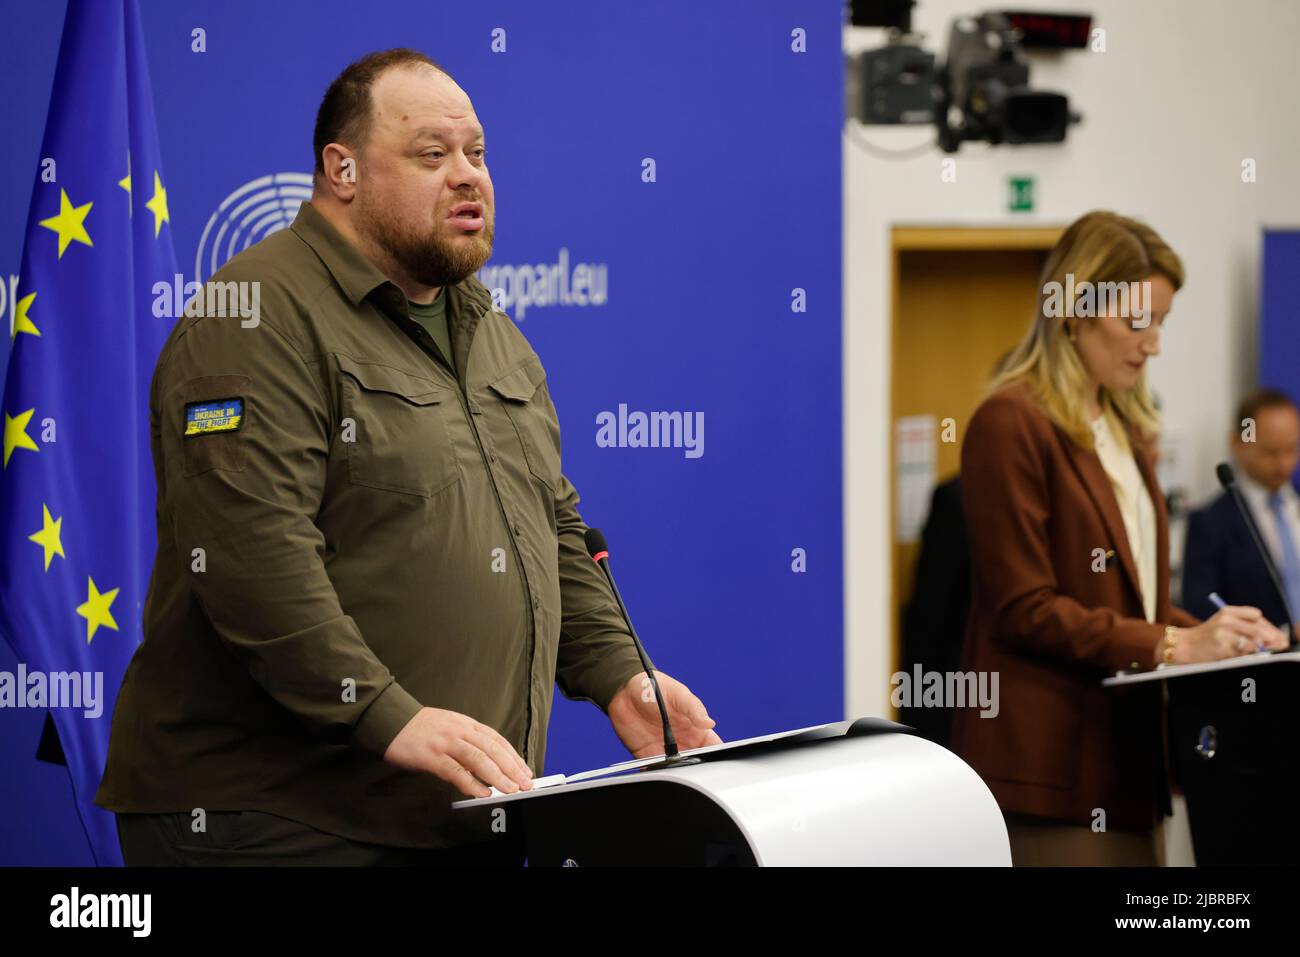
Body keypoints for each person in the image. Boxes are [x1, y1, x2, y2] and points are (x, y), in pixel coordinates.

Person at [94, 48, 720, 866]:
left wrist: (619, 674)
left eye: (477, 153)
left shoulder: (492, 334)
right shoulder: (254, 318)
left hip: (450, 814)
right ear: (342, 171)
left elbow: (553, 529)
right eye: (432, 154)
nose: (468, 175)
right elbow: (252, 555)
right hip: (276, 821)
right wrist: (387, 713)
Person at [951, 210, 1287, 867]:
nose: (1153, 344)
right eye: (1138, 321)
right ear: (1076, 311)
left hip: (1131, 767)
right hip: (1052, 777)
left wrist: (1224, 638)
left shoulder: (1122, 429)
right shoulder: (1010, 422)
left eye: (1161, 322)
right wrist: (1174, 642)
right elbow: (1025, 608)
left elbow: (1131, 606)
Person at [1183, 388, 1300, 634]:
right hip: (1264, 654)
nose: (1284, 463)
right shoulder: (1210, 524)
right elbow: (1201, 613)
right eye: (1271, 452)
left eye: (1292, 449)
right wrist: (1282, 634)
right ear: (1238, 443)